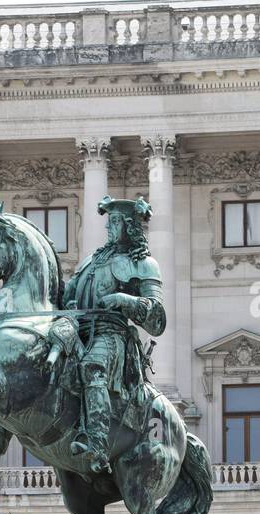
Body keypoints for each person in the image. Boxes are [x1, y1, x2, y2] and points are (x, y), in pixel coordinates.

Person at [57, 196, 166, 474]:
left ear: (130, 226)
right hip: (77, 330)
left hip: (113, 335)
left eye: (115, 221)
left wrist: (124, 300)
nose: (108, 228)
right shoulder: (89, 262)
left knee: (92, 367)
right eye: (109, 221)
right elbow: (66, 297)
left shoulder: (144, 264)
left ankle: (97, 442)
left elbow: (157, 318)